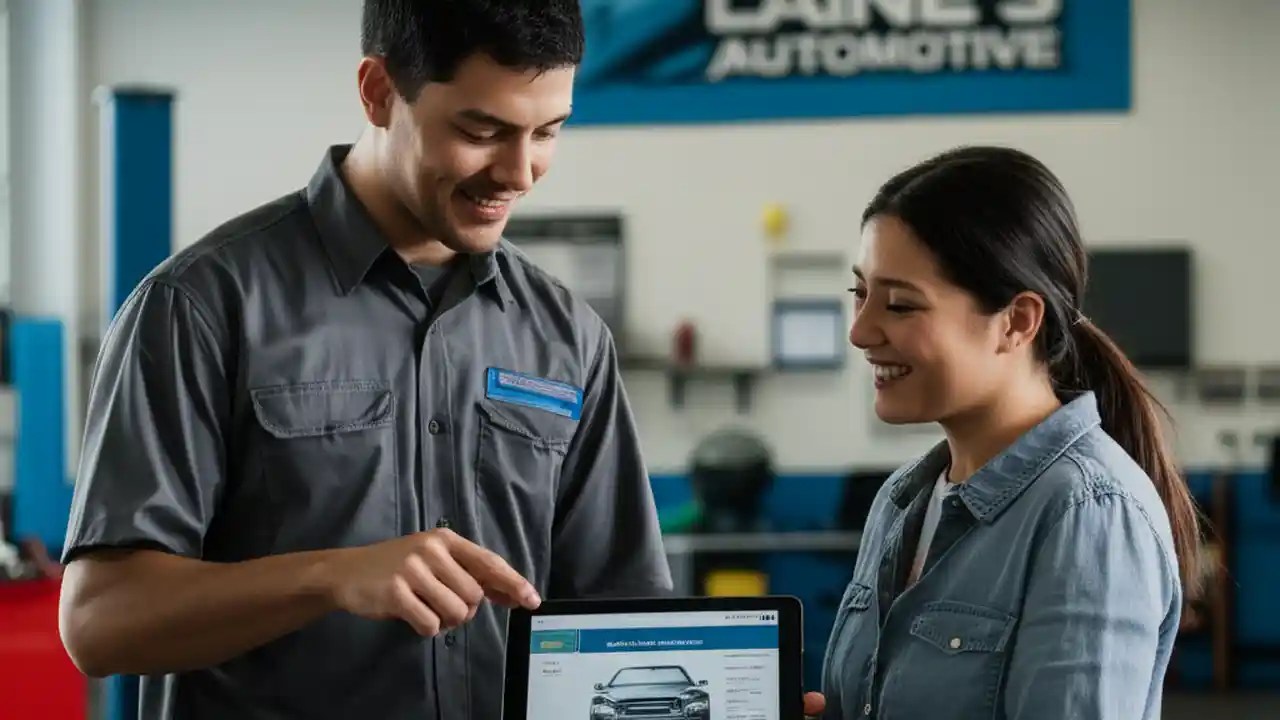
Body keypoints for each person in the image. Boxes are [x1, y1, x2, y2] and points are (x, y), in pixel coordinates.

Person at [57, 1, 672, 718]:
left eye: (546, 132)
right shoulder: (200, 307)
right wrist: (329, 577)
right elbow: (100, 621)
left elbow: (624, 623)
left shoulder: (569, 337)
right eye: (481, 131)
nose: (519, 172)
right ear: (379, 92)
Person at [801, 146, 1200, 719]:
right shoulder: (899, 501)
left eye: (900, 305)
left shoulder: (1087, 514)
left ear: (1016, 321)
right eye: (859, 294)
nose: (860, 332)